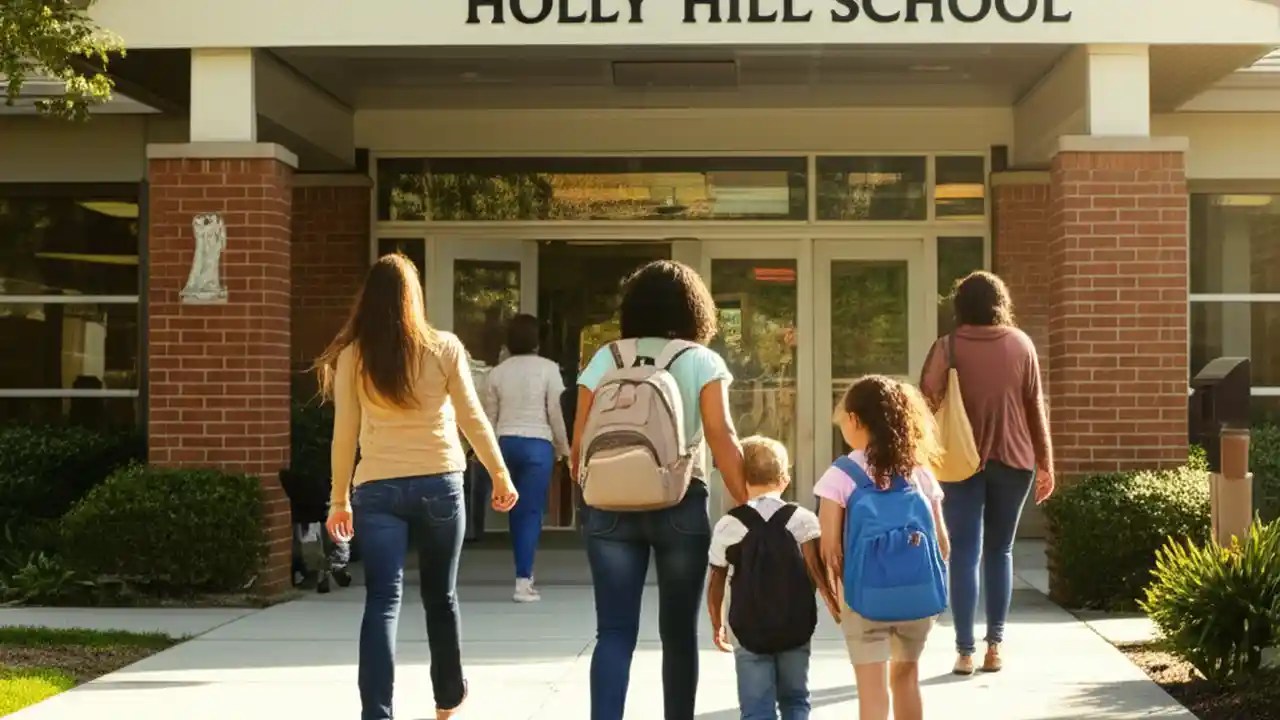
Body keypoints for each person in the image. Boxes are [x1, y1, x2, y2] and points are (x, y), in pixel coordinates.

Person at [318, 254, 519, 720]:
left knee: (383, 600)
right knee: (441, 597)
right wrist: (500, 473)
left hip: (377, 491)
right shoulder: (443, 347)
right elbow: (472, 417)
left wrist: (338, 499)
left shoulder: (354, 356)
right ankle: (447, 697)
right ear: (414, 299)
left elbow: (344, 433)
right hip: (440, 485)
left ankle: (377, 712)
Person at [570, 259, 748, 720]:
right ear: (695, 310)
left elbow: (578, 448)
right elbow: (722, 436)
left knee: (612, 632)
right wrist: (748, 504)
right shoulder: (701, 360)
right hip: (680, 502)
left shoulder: (604, 358)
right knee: (678, 633)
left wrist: (596, 494)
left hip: (608, 507)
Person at [919, 271, 1055, 676]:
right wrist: (1046, 462)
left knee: (963, 552)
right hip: (1014, 461)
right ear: (1001, 302)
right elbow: (1036, 407)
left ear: (960, 304)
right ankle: (994, 646)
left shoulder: (948, 347)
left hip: (959, 461)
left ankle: (964, 652)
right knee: (1000, 551)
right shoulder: (1021, 344)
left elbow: (924, 400)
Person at [816, 376, 950, 720]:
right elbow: (942, 544)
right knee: (906, 679)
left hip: (864, 598)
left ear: (855, 420)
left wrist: (836, 597)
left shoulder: (842, 473)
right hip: (918, 598)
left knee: (872, 692)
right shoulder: (918, 471)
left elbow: (830, 550)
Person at [707, 436, 840, 720]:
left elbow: (716, 580)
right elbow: (818, 570)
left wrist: (718, 623)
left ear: (741, 477)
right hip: (796, 627)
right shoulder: (803, 519)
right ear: (785, 479)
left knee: (756, 709)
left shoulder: (729, 525)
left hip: (747, 630)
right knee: (795, 700)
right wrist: (834, 602)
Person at [482, 313, 571, 602]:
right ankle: (523, 581)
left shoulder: (497, 372)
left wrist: (487, 454)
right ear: (537, 341)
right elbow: (556, 413)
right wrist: (565, 449)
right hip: (538, 445)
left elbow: (489, 417)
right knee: (530, 512)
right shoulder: (549, 369)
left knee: (513, 510)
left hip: (505, 443)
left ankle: (522, 575)